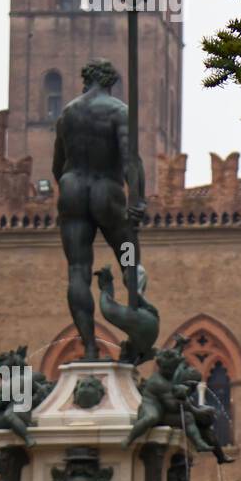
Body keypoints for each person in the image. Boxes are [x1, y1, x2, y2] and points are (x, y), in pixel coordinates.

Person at [53, 59, 145, 360]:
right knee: (129, 257)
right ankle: (135, 327)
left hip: (72, 190)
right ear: (110, 82)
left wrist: (67, 196)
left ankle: (90, 347)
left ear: (86, 81)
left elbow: (58, 165)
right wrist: (137, 199)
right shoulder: (119, 111)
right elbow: (131, 159)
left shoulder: (67, 113)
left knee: (77, 272)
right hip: (106, 190)